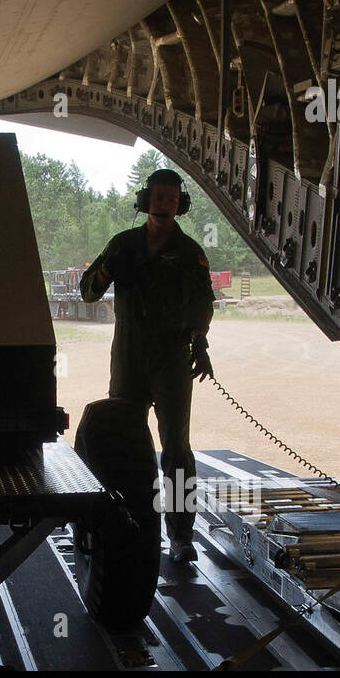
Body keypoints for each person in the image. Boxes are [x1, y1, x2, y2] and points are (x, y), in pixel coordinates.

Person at [80, 168, 214, 564]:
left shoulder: (190, 253)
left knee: (177, 449)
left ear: (180, 204)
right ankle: (120, 523)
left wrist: (200, 340)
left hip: (171, 359)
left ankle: (181, 534)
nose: (165, 204)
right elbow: (88, 292)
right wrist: (106, 268)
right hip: (129, 355)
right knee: (123, 442)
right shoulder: (122, 244)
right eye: (159, 197)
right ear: (146, 200)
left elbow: (202, 302)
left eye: (172, 198)